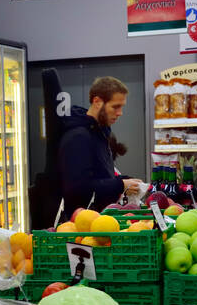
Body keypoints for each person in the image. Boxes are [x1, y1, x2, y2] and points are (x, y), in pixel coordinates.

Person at [55, 76, 146, 218]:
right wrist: (120, 185)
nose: (120, 113)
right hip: (81, 226)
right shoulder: (78, 137)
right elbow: (78, 188)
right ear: (97, 102)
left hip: (100, 221)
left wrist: (127, 182)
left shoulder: (100, 133)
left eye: (122, 107)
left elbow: (100, 175)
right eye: (115, 106)